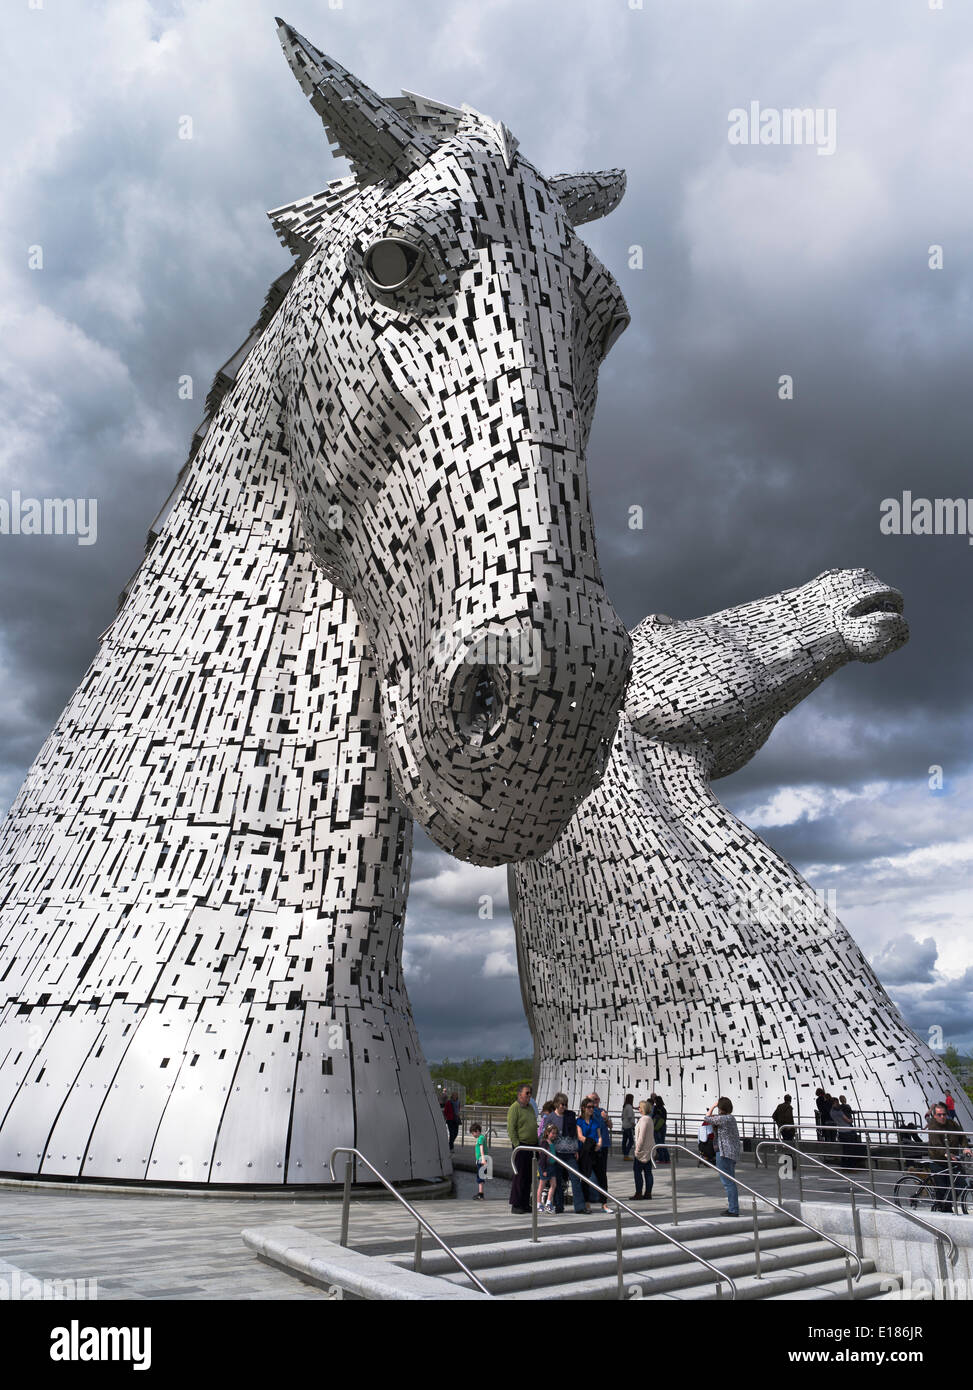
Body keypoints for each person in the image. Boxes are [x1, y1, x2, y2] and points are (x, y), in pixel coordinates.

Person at [926, 1101, 972, 1213]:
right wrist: (946, 1153)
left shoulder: (952, 1124)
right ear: (935, 1115)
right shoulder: (933, 1126)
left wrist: (965, 1147)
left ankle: (946, 1206)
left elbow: (962, 1136)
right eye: (939, 1115)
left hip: (953, 1159)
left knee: (960, 1183)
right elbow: (936, 1144)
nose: (942, 1117)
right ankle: (943, 1209)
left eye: (944, 1114)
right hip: (938, 1162)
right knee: (942, 1188)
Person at [548, 1092, 588, 1214]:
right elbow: (545, 1134)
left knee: (575, 1179)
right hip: (557, 1153)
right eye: (562, 1105)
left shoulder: (570, 1116)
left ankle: (580, 1207)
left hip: (570, 1153)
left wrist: (576, 1149)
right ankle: (559, 1206)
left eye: (566, 1104)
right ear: (556, 1104)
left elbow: (574, 1134)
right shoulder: (550, 1117)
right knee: (558, 1180)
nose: (564, 1107)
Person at [709, 1097, 742, 1217]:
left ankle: (733, 1209)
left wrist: (713, 1106)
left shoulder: (723, 1118)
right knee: (731, 1181)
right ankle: (733, 1207)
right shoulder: (731, 1118)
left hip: (723, 1153)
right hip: (732, 1153)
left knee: (728, 1182)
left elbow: (706, 1118)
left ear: (721, 1107)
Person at [507, 1084, 537, 1214]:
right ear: (520, 1095)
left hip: (532, 1146)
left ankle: (525, 1203)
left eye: (530, 1093)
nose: (529, 1096)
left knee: (529, 1176)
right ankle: (516, 1203)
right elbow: (511, 1128)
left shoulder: (530, 1107)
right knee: (519, 1176)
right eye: (527, 1093)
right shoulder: (515, 1108)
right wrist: (517, 1145)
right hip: (521, 1146)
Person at [576, 1098, 602, 1212]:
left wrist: (599, 1143)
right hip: (585, 1152)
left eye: (593, 1107)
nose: (591, 1109)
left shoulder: (595, 1121)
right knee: (586, 1177)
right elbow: (580, 1137)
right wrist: (592, 1142)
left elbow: (599, 1135)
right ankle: (586, 1202)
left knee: (600, 1175)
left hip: (594, 1151)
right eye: (589, 1107)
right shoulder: (579, 1121)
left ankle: (602, 1201)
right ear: (583, 1108)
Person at [588, 1092, 613, 1211]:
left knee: (602, 1173)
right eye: (593, 1099)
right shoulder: (588, 1112)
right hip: (593, 1146)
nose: (596, 1101)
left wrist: (606, 1118)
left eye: (597, 1099)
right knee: (590, 1172)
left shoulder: (603, 1111)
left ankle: (603, 1199)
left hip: (604, 1145)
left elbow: (610, 1125)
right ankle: (593, 1196)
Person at [632, 1099, 655, 1200]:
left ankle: (639, 1193)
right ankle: (648, 1192)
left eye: (640, 1107)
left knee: (637, 1171)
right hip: (649, 1150)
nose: (638, 1108)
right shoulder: (649, 1119)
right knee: (648, 1172)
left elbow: (641, 1136)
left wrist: (637, 1149)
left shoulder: (644, 1120)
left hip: (643, 1151)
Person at [536, 1123, 559, 1213]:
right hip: (545, 1167)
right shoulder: (544, 1143)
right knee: (541, 1186)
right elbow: (542, 1158)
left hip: (552, 1166)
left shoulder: (552, 1143)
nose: (554, 1135)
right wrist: (544, 1169)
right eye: (552, 1133)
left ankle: (548, 1203)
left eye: (555, 1133)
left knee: (553, 1185)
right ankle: (538, 1204)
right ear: (547, 1133)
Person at [471, 1123, 488, 1200]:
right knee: (480, 1177)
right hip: (481, 1160)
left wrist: (483, 1159)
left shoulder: (480, 1138)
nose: (472, 1135)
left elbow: (481, 1149)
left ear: (477, 1131)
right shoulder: (481, 1137)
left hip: (482, 1160)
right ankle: (480, 1193)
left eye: (473, 1133)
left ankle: (480, 1194)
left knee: (480, 1177)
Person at [651, 1093, 669, 1164]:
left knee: (658, 1143)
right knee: (662, 1143)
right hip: (663, 1126)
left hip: (657, 1127)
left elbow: (653, 1116)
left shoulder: (656, 1108)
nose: (654, 1102)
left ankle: (661, 1159)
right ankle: (667, 1158)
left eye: (655, 1101)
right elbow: (664, 1118)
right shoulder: (663, 1109)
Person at [621, 1093, 636, 1159]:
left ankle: (625, 1154)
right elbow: (630, 1117)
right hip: (629, 1126)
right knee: (631, 1141)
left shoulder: (625, 1106)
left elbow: (622, 1117)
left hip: (624, 1125)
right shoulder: (629, 1107)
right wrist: (634, 1124)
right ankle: (626, 1154)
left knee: (624, 1140)